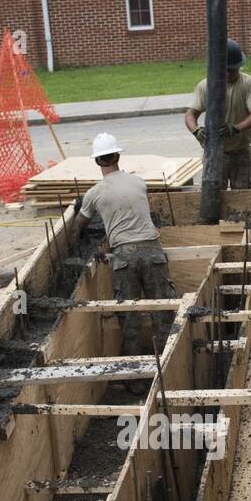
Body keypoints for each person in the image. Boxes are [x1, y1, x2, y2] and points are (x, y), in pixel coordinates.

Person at [75, 132, 176, 351]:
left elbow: (80, 224)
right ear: (118, 156)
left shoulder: (94, 193)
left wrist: (80, 215)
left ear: (97, 161)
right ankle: (169, 357)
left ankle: (134, 367)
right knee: (163, 310)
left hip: (124, 256)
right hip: (152, 250)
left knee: (129, 316)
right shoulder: (139, 183)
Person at [184, 39, 251, 189]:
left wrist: (235, 128)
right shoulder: (206, 86)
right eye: (225, 70)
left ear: (239, 66)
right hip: (215, 153)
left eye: (232, 70)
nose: (228, 73)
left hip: (241, 152)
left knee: (245, 197)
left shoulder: (249, 84)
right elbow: (190, 114)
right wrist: (195, 130)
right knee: (213, 195)